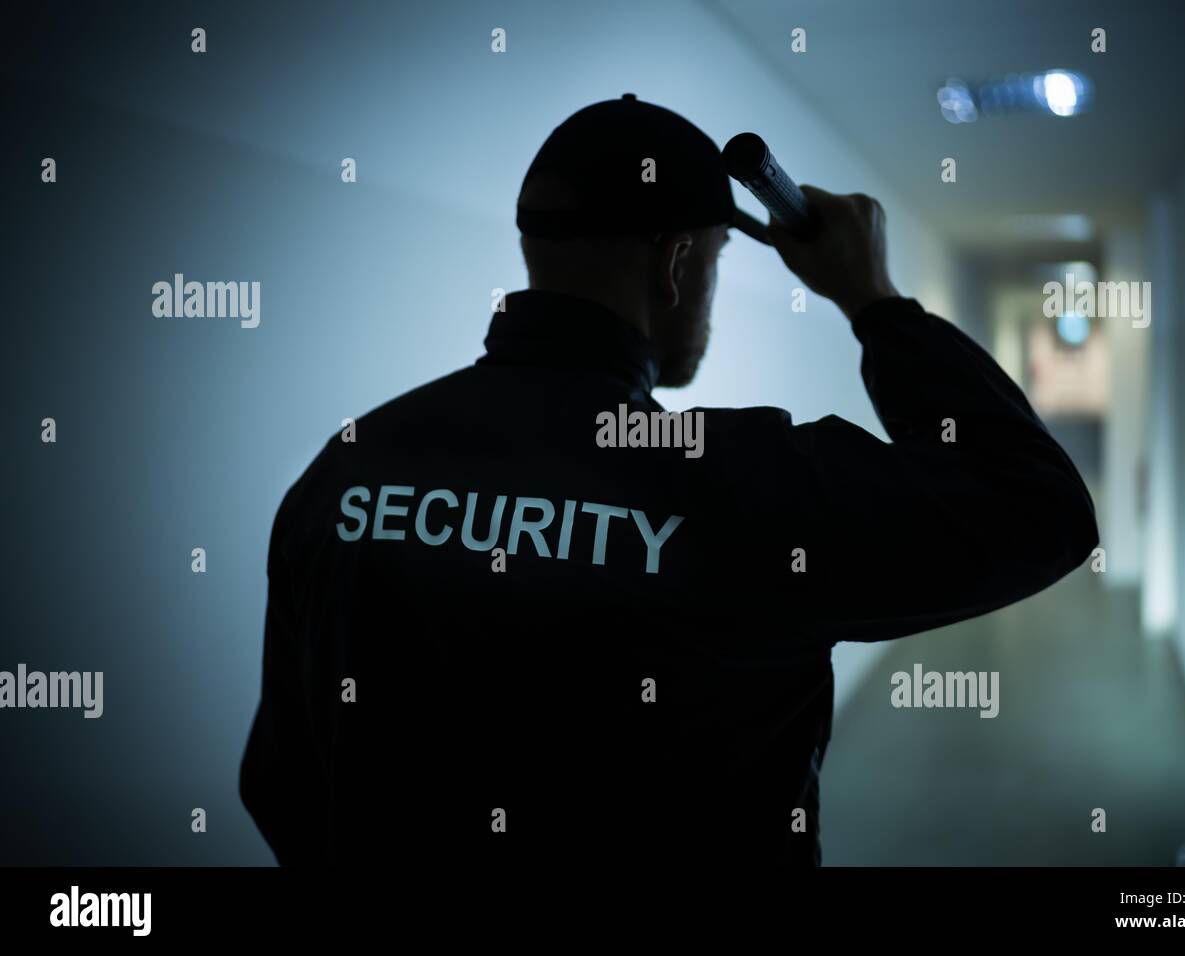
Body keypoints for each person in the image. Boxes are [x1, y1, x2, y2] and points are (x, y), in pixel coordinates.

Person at [239, 94, 1098, 868]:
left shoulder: (347, 469)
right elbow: (1037, 506)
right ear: (677, 265)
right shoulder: (746, 487)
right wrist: (873, 301)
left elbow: (279, 783)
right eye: (717, 259)